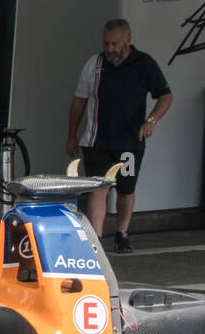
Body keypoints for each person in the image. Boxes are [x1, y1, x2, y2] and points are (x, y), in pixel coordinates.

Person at [66, 18, 172, 254]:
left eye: (115, 44)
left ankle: (122, 233)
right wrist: (72, 134)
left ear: (128, 40)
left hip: (130, 142)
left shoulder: (144, 63)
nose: (110, 49)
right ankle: (96, 241)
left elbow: (165, 95)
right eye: (106, 44)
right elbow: (79, 101)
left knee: (126, 189)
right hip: (96, 140)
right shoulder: (94, 64)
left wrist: (151, 120)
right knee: (99, 189)